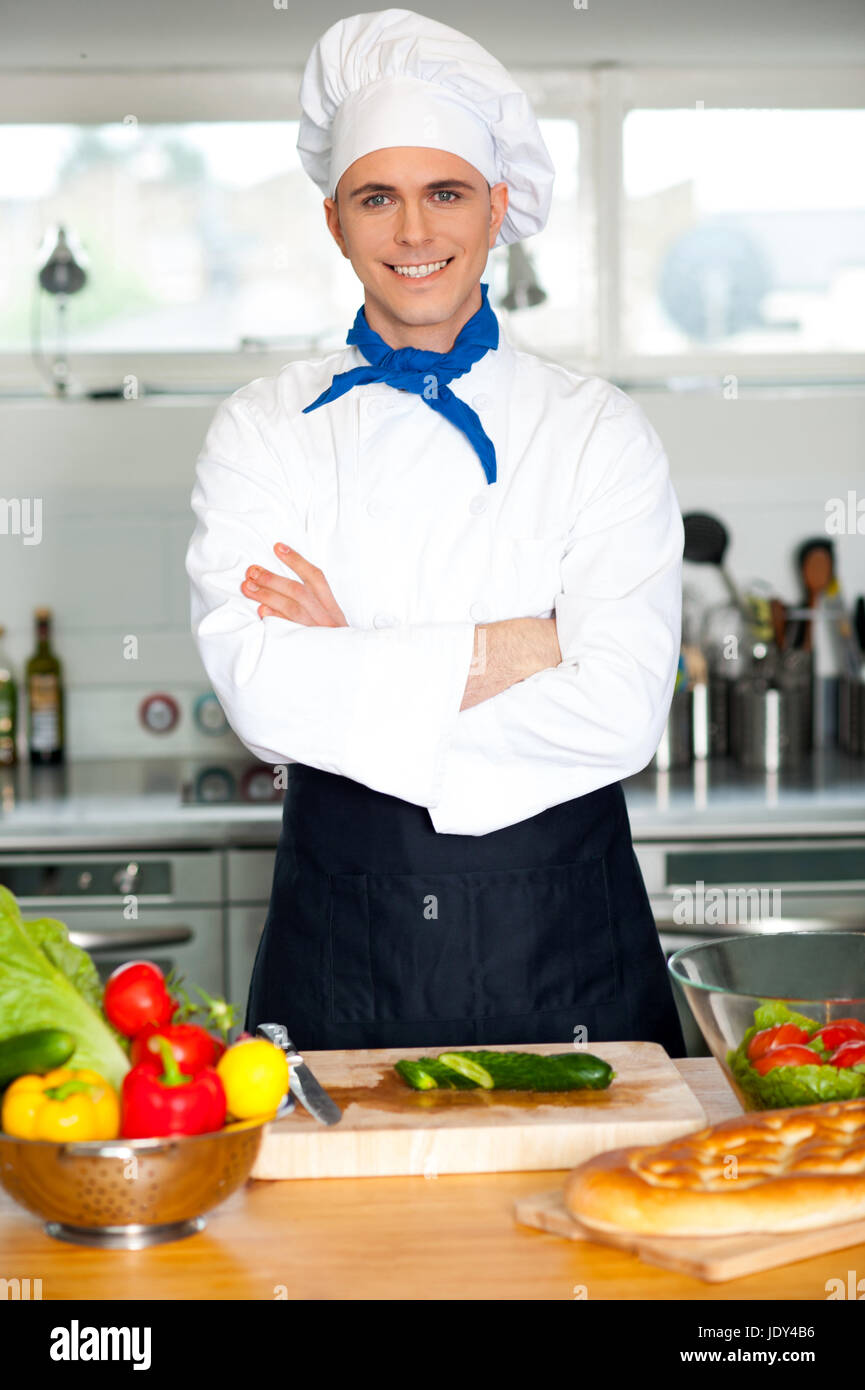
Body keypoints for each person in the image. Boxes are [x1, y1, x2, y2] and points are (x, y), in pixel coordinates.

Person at [185, 8, 687, 1056]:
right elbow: (264, 699)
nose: (414, 234)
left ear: (496, 206)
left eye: (444, 193)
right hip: (342, 941)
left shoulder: (594, 429)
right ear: (335, 220)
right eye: (378, 197)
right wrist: (525, 643)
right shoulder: (263, 428)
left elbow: (622, 712)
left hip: (567, 944)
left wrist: (350, 662)